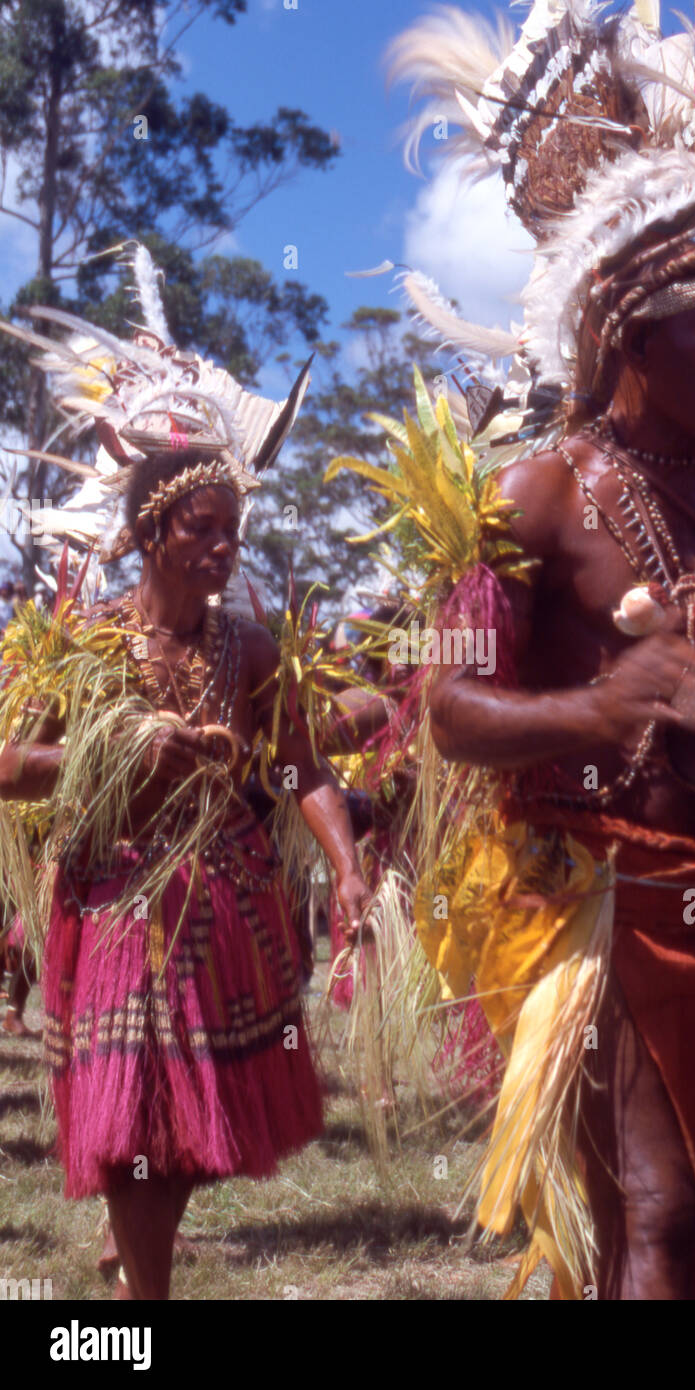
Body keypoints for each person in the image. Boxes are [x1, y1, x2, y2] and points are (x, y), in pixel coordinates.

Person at [389, 0, 695, 1299]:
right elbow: (445, 706)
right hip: (579, 901)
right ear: (629, 332)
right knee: (657, 1218)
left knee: (661, 1215)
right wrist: (602, 707)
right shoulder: (533, 496)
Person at [0, 272, 371, 1300]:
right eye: (201, 529)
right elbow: (10, 767)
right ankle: (143, 1304)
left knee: (192, 1123)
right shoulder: (91, 642)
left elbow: (300, 763)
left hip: (223, 898)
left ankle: (142, 1276)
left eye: (232, 533)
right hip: (113, 897)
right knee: (131, 1119)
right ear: (153, 530)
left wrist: (344, 866)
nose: (220, 549)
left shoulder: (249, 646)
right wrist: (117, 751)